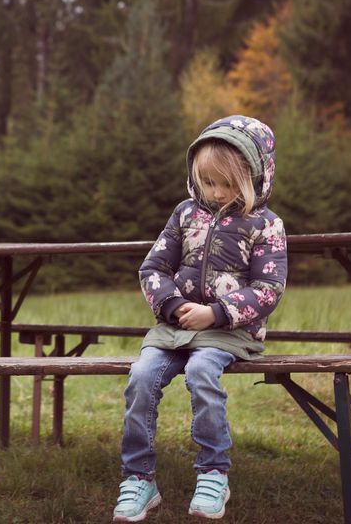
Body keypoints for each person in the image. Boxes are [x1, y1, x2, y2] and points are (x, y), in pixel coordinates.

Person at [112, 115, 288, 522]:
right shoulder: (185, 214)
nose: (216, 192)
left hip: (229, 332)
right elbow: (152, 268)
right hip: (174, 327)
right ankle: (139, 478)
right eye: (208, 182)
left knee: (201, 374)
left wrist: (217, 313)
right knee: (141, 377)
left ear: (254, 176)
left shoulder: (266, 225)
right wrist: (171, 306)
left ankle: (214, 472)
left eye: (226, 184)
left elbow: (268, 288)